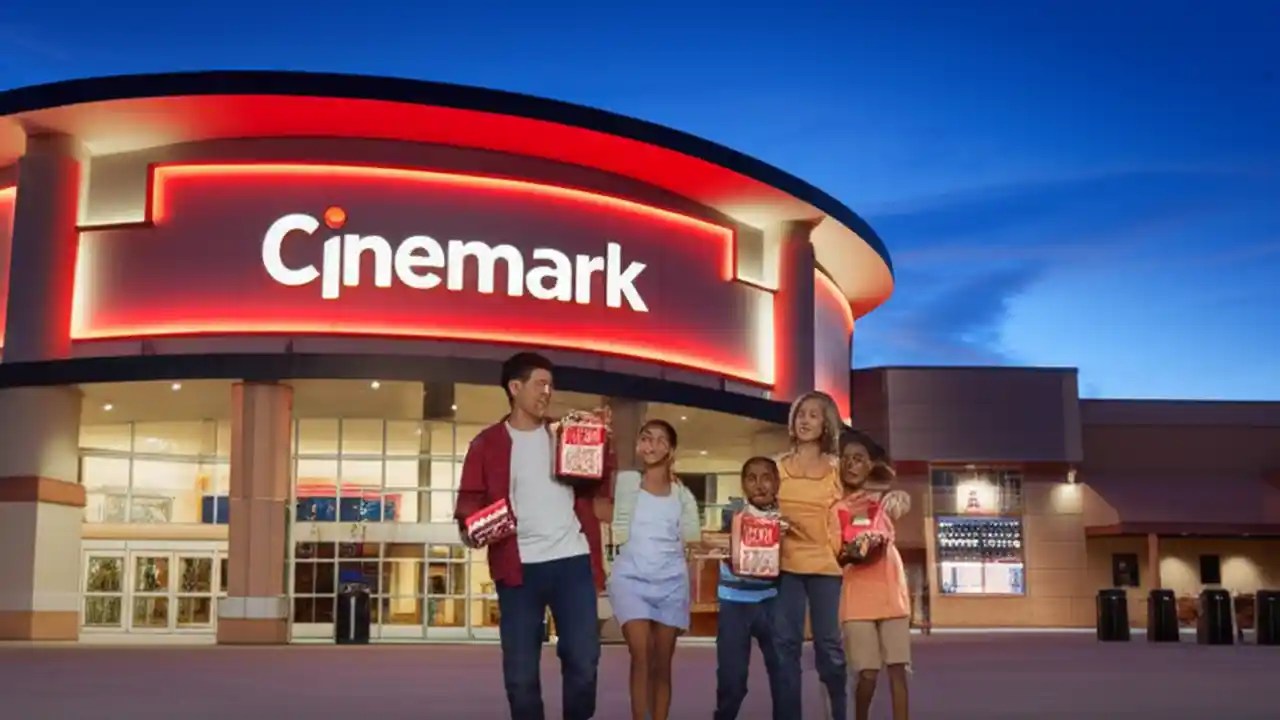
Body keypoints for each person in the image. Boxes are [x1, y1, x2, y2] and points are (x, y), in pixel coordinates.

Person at [453, 351, 614, 720]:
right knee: (521, 674)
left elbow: (597, 484)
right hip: (518, 569)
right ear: (515, 387)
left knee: (584, 660)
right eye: (540, 384)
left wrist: (600, 441)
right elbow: (469, 502)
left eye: (550, 385)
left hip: (572, 561)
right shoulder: (486, 444)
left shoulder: (565, 434)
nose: (547, 392)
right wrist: (471, 530)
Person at [608, 419, 702, 720]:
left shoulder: (683, 496)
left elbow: (694, 540)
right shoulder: (626, 484)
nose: (652, 445)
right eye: (647, 438)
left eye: (661, 440)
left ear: (671, 450)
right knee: (641, 652)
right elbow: (600, 502)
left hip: (671, 583)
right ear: (639, 445)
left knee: (662, 663)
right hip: (630, 579)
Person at [773, 390, 847, 720]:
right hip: (785, 567)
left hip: (826, 567)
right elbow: (757, 509)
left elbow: (860, 507)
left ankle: (839, 712)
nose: (805, 421)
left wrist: (895, 498)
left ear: (826, 424)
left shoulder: (838, 470)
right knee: (785, 645)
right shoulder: (776, 467)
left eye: (813, 415)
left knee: (828, 646)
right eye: (801, 414)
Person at [830, 429, 913, 720]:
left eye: (859, 459)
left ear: (870, 465)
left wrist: (900, 498)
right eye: (846, 459)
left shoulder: (882, 500)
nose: (852, 464)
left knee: (898, 670)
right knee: (867, 673)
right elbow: (835, 552)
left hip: (892, 596)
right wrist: (850, 553)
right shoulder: (835, 507)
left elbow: (901, 503)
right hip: (856, 600)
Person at [715, 456, 786, 720]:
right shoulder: (732, 513)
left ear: (777, 482)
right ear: (743, 484)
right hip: (734, 600)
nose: (759, 485)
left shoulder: (785, 518)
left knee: (784, 673)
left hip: (773, 599)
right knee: (732, 680)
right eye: (752, 478)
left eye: (766, 478)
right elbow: (717, 545)